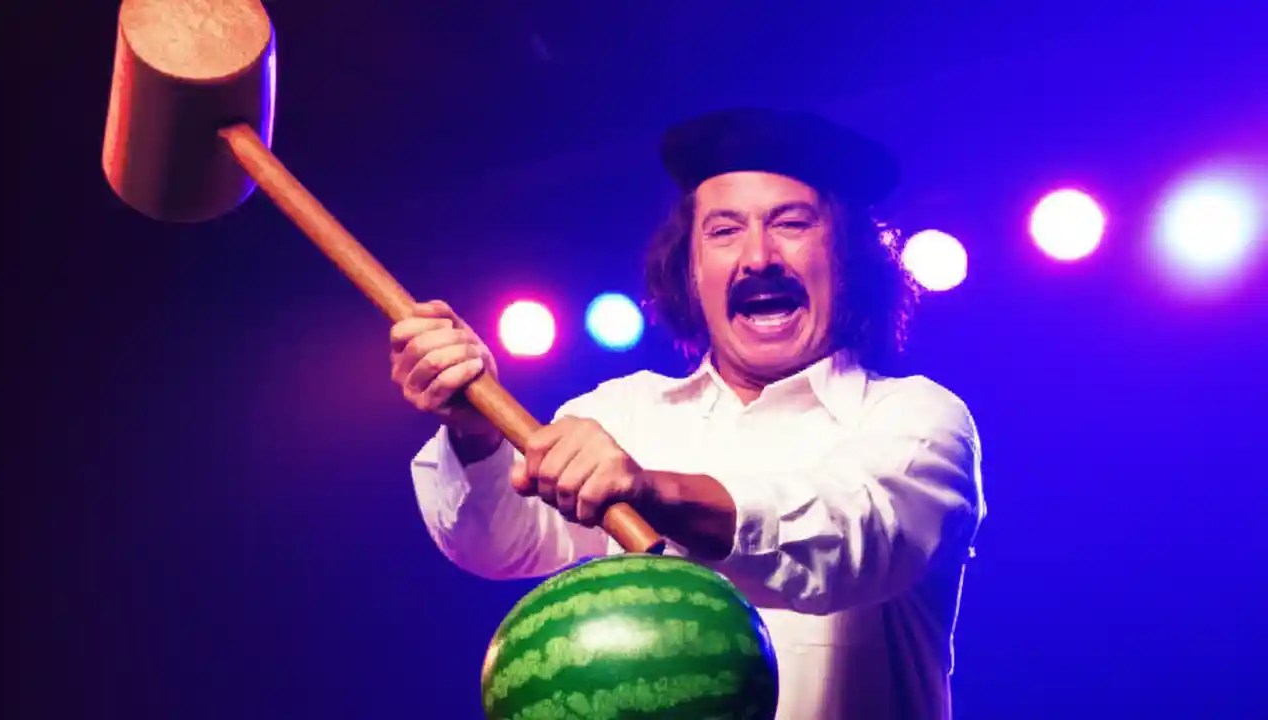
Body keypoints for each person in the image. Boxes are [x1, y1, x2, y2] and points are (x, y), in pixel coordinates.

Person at [390, 107, 986, 719]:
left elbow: (855, 538)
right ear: (692, 269)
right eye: (724, 231)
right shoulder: (622, 413)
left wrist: (649, 489)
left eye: (792, 223)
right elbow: (496, 543)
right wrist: (473, 431)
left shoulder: (916, 418)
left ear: (848, 260)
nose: (758, 257)